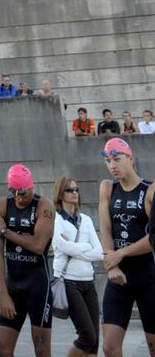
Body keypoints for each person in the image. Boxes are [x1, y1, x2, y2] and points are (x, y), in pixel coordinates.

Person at [97, 137, 155, 357]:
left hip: (146, 277)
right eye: (108, 161)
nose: (112, 165)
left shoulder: (149, 191)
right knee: (110, 347)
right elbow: (105, 228)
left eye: (117, 159)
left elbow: (153, 238)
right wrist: (112, 266)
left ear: (131, 159)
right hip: (118, 277)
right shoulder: (107, 188)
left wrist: (120, 253)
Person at [0, 164, 53, 357]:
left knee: (41, 350)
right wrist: (3, 294)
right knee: (3, 349)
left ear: (31, 187)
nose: (18, 197)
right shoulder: (0, 206)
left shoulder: (44, 207)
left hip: (38, 285)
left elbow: (38, 245)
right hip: (14, 286)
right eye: (13, 192)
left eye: (23, 192)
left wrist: (5, 231)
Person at [51, 175, 102, 357]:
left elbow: (99, 252)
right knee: (87, 336)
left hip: (88, 281)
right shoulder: (56, 220)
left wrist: (74, 248)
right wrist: (86, 247)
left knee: (94, 342)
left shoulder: (86, 220)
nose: (75, 193)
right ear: (60, 194)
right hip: (68, 282)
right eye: (69, 190)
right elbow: (62, 246)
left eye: (76, 189)